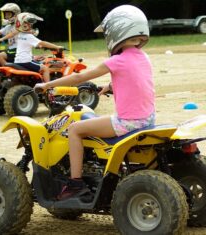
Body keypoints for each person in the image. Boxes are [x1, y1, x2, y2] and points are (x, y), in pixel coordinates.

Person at [34, 5, 155, 200]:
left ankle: (75, 184)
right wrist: (109, 86)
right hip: (148, 119)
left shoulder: (116, 61)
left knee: (74, 129)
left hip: (127, 122)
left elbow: (76, 79)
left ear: (116, 31)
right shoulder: (144, 57)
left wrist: (47, 86)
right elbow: (136, 80)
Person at [0, 12, 63, 82]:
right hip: (26, 61)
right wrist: (57, 47)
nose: (30, 25)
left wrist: (39, 46)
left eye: (30, 24)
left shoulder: (20, 34)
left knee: (39, 62)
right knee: (45, 68)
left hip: (18, 61)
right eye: (28, 23)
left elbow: (31, 44)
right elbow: (42, 43)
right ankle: (48, 88)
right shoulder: (29, 36)